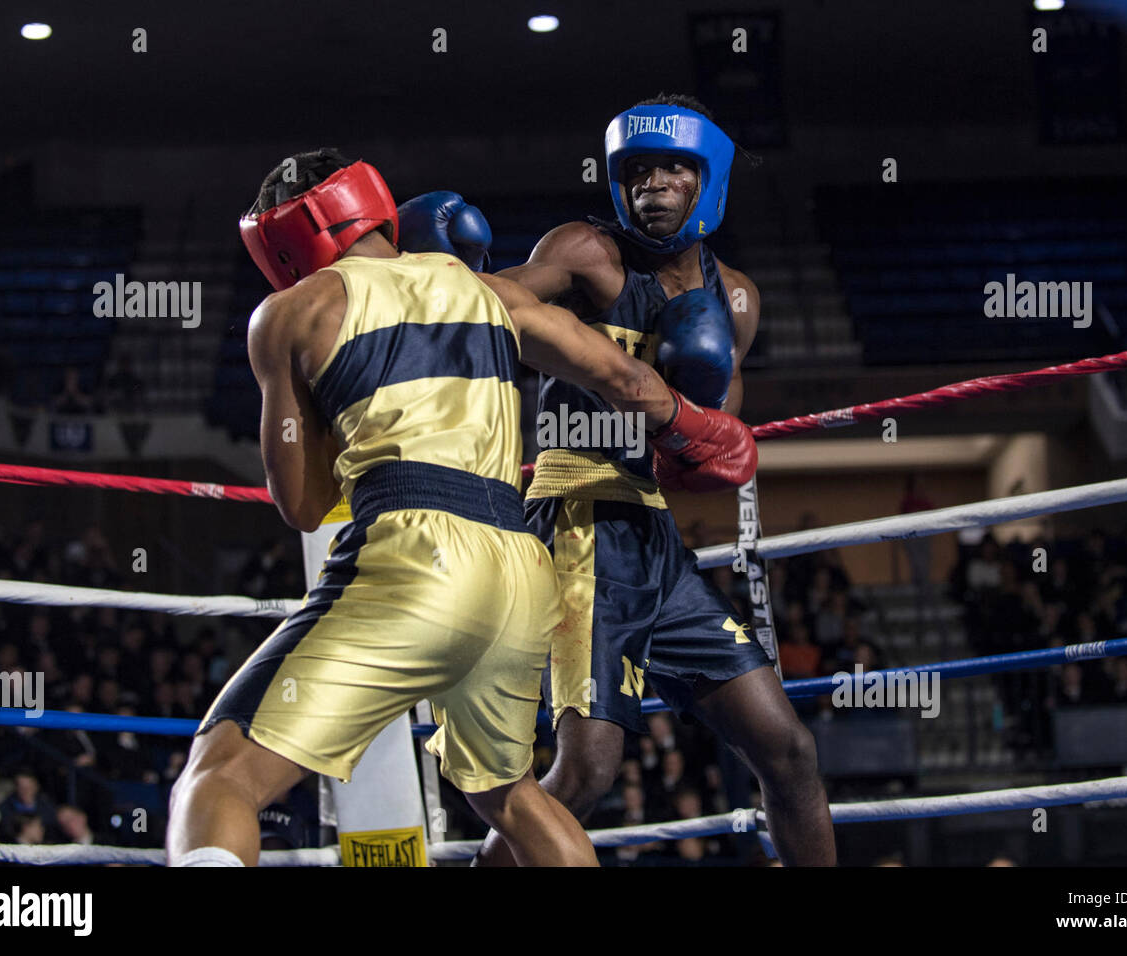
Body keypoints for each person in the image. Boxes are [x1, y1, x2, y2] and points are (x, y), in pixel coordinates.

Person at [166, 148, 757, 867]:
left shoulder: (293, 312)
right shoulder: (488, 292)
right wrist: (698, 431)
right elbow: (625, 378)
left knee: (219, 775)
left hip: (410, 556)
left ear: (284, 241)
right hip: (515, 567)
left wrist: (340, 421)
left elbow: (302, 504)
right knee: (509, 793)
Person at [406, 95, 833, 865]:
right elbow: (503, 301)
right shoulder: (586, 252)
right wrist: (447, 272)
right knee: (584, 772)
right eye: (638, 171)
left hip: (654, 539)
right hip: (576, 521)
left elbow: (714, 443)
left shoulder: (735, 298)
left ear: (710, 176)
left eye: (674, 167)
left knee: (788, 751)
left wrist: (694, 418)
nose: (654, 185)